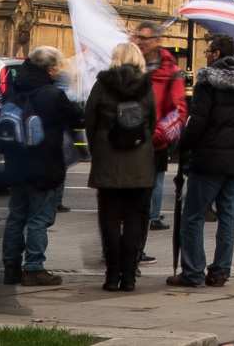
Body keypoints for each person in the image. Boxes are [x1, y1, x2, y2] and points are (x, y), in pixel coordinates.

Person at [169, 34, 234, 288]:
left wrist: (183, 145)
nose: (206, 55)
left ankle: (193, 271)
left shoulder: (208, 82)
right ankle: (221, 270)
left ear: (216, 54)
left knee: (193, 216)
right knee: (228, 217)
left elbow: (198, 121)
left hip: (209, 158)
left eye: (208, 51)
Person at [0, 47, 80, 286]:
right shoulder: (52, 94)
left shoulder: (14, 88)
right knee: (38, 218)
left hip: (16, 164)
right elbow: (77, 117)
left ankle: (11, 267)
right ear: (51, 69)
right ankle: (34, 268)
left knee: (16, 216)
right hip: (44, 165)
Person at [87, 40, 158, 292]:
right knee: (135, 220)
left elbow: (90, 120)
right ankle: (129, 277)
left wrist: (98, 149)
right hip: (139, 160)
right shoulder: (146, 86)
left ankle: (111, 276)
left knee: (108, 219)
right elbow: (152, 121)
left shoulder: (102, 85)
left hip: (108, 158)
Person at [134, 22, 187, 233]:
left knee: (155, 182)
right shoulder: (129, 65)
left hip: (155, 142)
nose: (140, 42)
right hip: (129, 143)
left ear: (157, 41)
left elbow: (179, 112)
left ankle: (152, 218)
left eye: (144, 38)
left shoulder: (171, 72)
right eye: (137, 37)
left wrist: (156, 136)